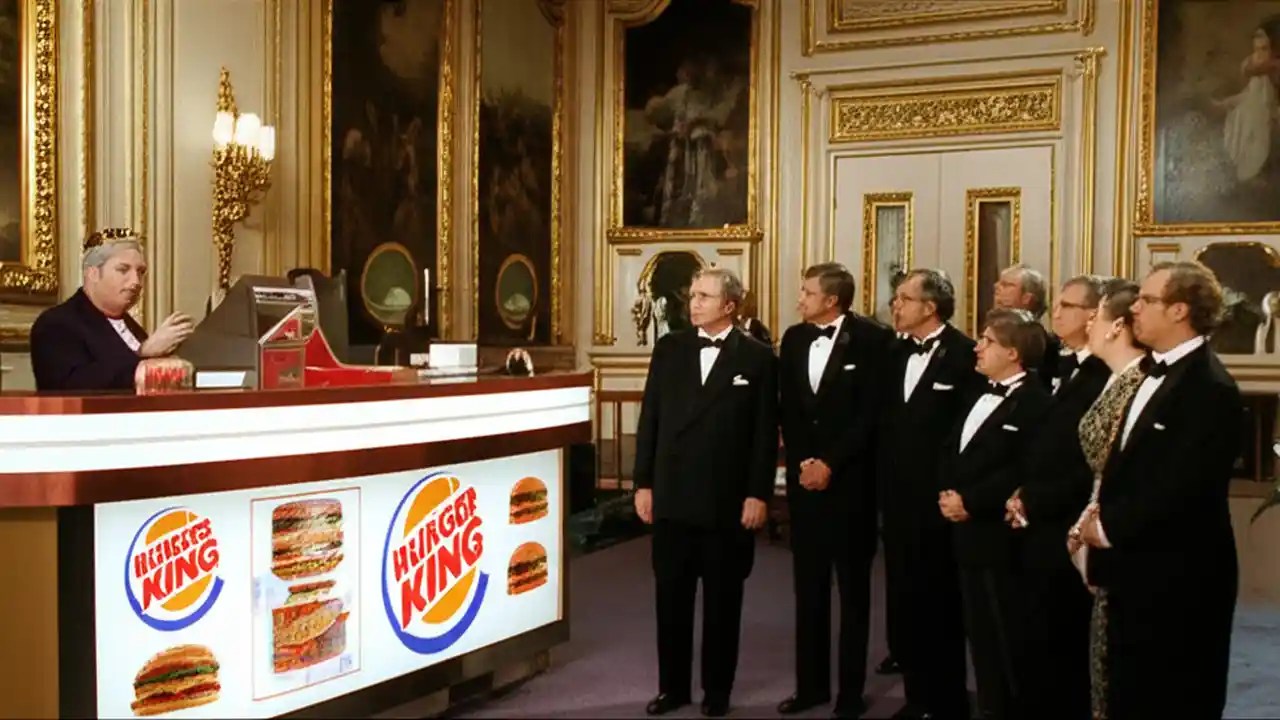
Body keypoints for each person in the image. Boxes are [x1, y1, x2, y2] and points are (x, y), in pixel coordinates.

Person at [1077, 261, 1241, 719]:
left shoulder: (1211, 388)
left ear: (1179, 311)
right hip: (1134, 566)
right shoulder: (1147, 374)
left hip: (1179, 574)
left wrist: (1107, 527)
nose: (1134, 309)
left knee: (1174, 695)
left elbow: (1182, 484)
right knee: (1130, 690)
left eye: (1147, 300)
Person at [633, 267, 778, 718]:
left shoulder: (757, 359)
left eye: (704, 296)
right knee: (670, 602)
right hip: (673, 497)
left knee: (722, 605)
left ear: (730, 306)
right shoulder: (669, 348)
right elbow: (650, 421)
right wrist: (642, 483)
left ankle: (718, 692)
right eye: (692, 294)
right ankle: (671, 688)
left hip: (726, 501)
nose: (693, 303)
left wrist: (758, 494)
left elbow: (762, 435)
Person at [776, 263, 893, 718]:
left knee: (854, 594)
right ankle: (811, 687)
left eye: (806, 292)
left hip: (852, 486)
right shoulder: (794, 338)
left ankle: (850, 693)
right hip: (806, 486)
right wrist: (805, 462)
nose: (799, 299)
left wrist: (831, 463)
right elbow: (790, 409)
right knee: (808, 591)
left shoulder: (873, 340)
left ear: (832, 300)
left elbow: (871, 415)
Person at [877, 268, 982, 720]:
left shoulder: (964, 355)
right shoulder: (891, 351)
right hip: (896, 500)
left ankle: (948, 702)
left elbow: (967, 433)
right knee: (905, 601)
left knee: (941, 605)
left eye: (903, 298)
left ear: (930, 307)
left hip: (940, 502)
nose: (894, 306)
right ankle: (917, 698)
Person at [1007, 274, 1111, 719]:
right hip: (1039, 516)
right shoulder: (1059, 363)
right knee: (1036, 633)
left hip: (1069, 522)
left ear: (1095, 315)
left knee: (1063, 638)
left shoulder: (1104, 374)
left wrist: (1036, 498)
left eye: (1068, 305)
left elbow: (1084, 459)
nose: (1057, 312)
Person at [940, 308, 1051, 720]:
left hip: (1003, 539)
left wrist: (971, 502)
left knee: (1009, 638)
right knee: (980, 637)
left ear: (1014, 353)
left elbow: (1023, 469)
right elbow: (953, 449)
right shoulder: (978, 391)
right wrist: (949, 494)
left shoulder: (1037, 404)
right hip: (964, 533)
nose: (978, 346)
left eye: (987, 340)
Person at [1065, 279, 1147, 720]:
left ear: (1116, 326)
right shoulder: (1115, 378)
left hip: (1116, 526)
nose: (1087, 325)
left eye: (1093, 316)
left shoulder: (1137, 380)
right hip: (1094, 518)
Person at [30, 228, 193, 391]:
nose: (136, 281)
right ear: (92, 273)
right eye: (123, 270)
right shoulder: (56, 324)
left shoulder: (131, 326)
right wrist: (143, 352)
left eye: (140, 272)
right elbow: (70, 387)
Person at [993, 263, 1060, 388]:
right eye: (998, 283)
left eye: (1007, 285)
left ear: (1026, 298)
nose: (996, 287)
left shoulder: (1045, 346)